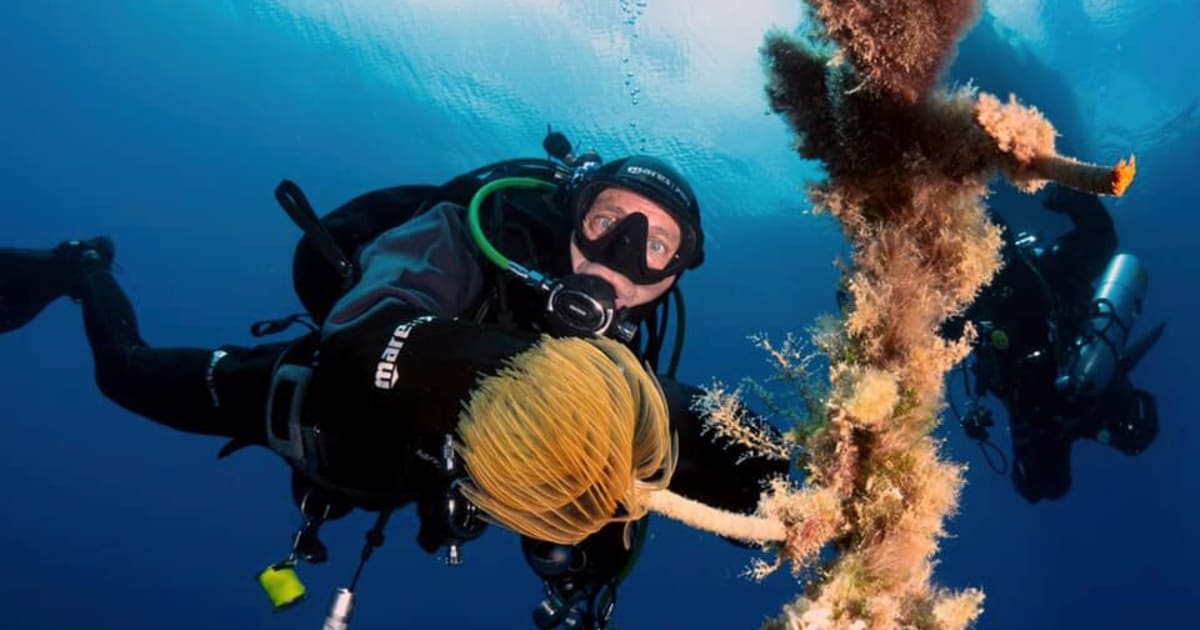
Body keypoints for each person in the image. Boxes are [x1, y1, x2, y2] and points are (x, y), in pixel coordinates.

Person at [0, 130, 788, 629]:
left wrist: (793, 477)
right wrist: (525, 381)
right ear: (572, 211)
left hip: (405, 481)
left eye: (656, 247)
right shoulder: (463, 234)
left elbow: (626, 489)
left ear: (675, 277)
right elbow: (364, 332)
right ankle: (83, 269)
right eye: (609, 220)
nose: (620, 253)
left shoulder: (627, 372)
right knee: (126, 376)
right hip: (307, 413)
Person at [945, 185, 1163, 503]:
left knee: (1134, 434)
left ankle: (1111, 369)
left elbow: (1101, 239)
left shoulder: (1047, 268)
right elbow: (934, 341)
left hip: (1066, 363)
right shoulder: (971, 305)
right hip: (1032, 387)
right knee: (1038, 487)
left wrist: (1076, 198)